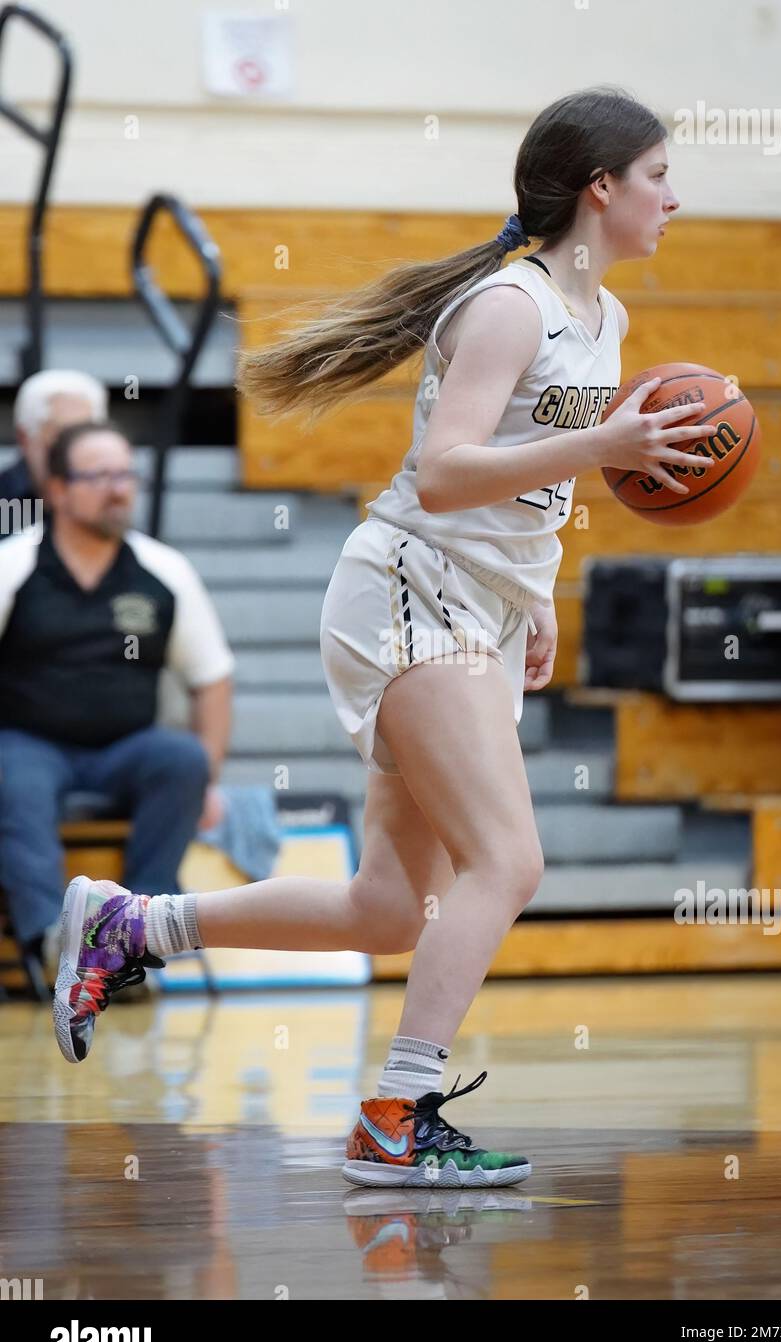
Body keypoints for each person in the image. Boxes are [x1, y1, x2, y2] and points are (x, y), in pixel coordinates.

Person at [52, 87, 716, 1189]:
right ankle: (394, 1114)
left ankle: (134, 926)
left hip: (479, 600)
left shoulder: (605, 320)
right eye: (656, 176)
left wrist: (535, 594)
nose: (672, 197)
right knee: (508, 860)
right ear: (600, 188)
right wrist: (604, 442)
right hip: (413, 585)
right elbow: (448, 472)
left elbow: (524, 487)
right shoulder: (510, 306)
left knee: (388, 907)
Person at [0, 420, 233, 977]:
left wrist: (211, 778)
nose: (119, 488)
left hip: (126, 746)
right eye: (99, 475)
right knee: (12, 775)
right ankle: (51, 940)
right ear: (57, 490)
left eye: (126, 474)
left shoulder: (163, 571)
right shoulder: (14, 563)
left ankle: (134, 935)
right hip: (29, 744)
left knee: (182, 760)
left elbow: (213, 678)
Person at [0, 368, 108, 516]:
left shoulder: (109, 498)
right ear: (24, 439)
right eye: (61, 440)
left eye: (84, 441)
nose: (74, 455)